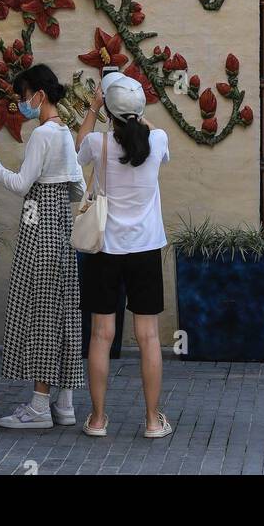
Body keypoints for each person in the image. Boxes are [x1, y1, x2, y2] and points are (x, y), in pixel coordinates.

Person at [0, 65, 86, 431]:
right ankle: (66, 402)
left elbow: (22, 184)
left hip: (38, 225)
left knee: (39, 309)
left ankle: (39, 406)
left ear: (39, 94)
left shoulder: (42, 133)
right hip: (62, 224)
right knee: (63, 308)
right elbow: (79, 189)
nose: (22, 103)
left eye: (24, 96)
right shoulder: (65, 132)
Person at [76, 67, 172, 439]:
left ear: (110, 113)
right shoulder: (158, 140)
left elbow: (79, 144)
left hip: (105, 248)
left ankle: (98, 419)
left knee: (101, 335)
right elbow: (143, 128)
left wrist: (94, 106)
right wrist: (130, 105)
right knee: (148, 336)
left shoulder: (98, 144)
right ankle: (151, 420)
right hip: (145, 249)